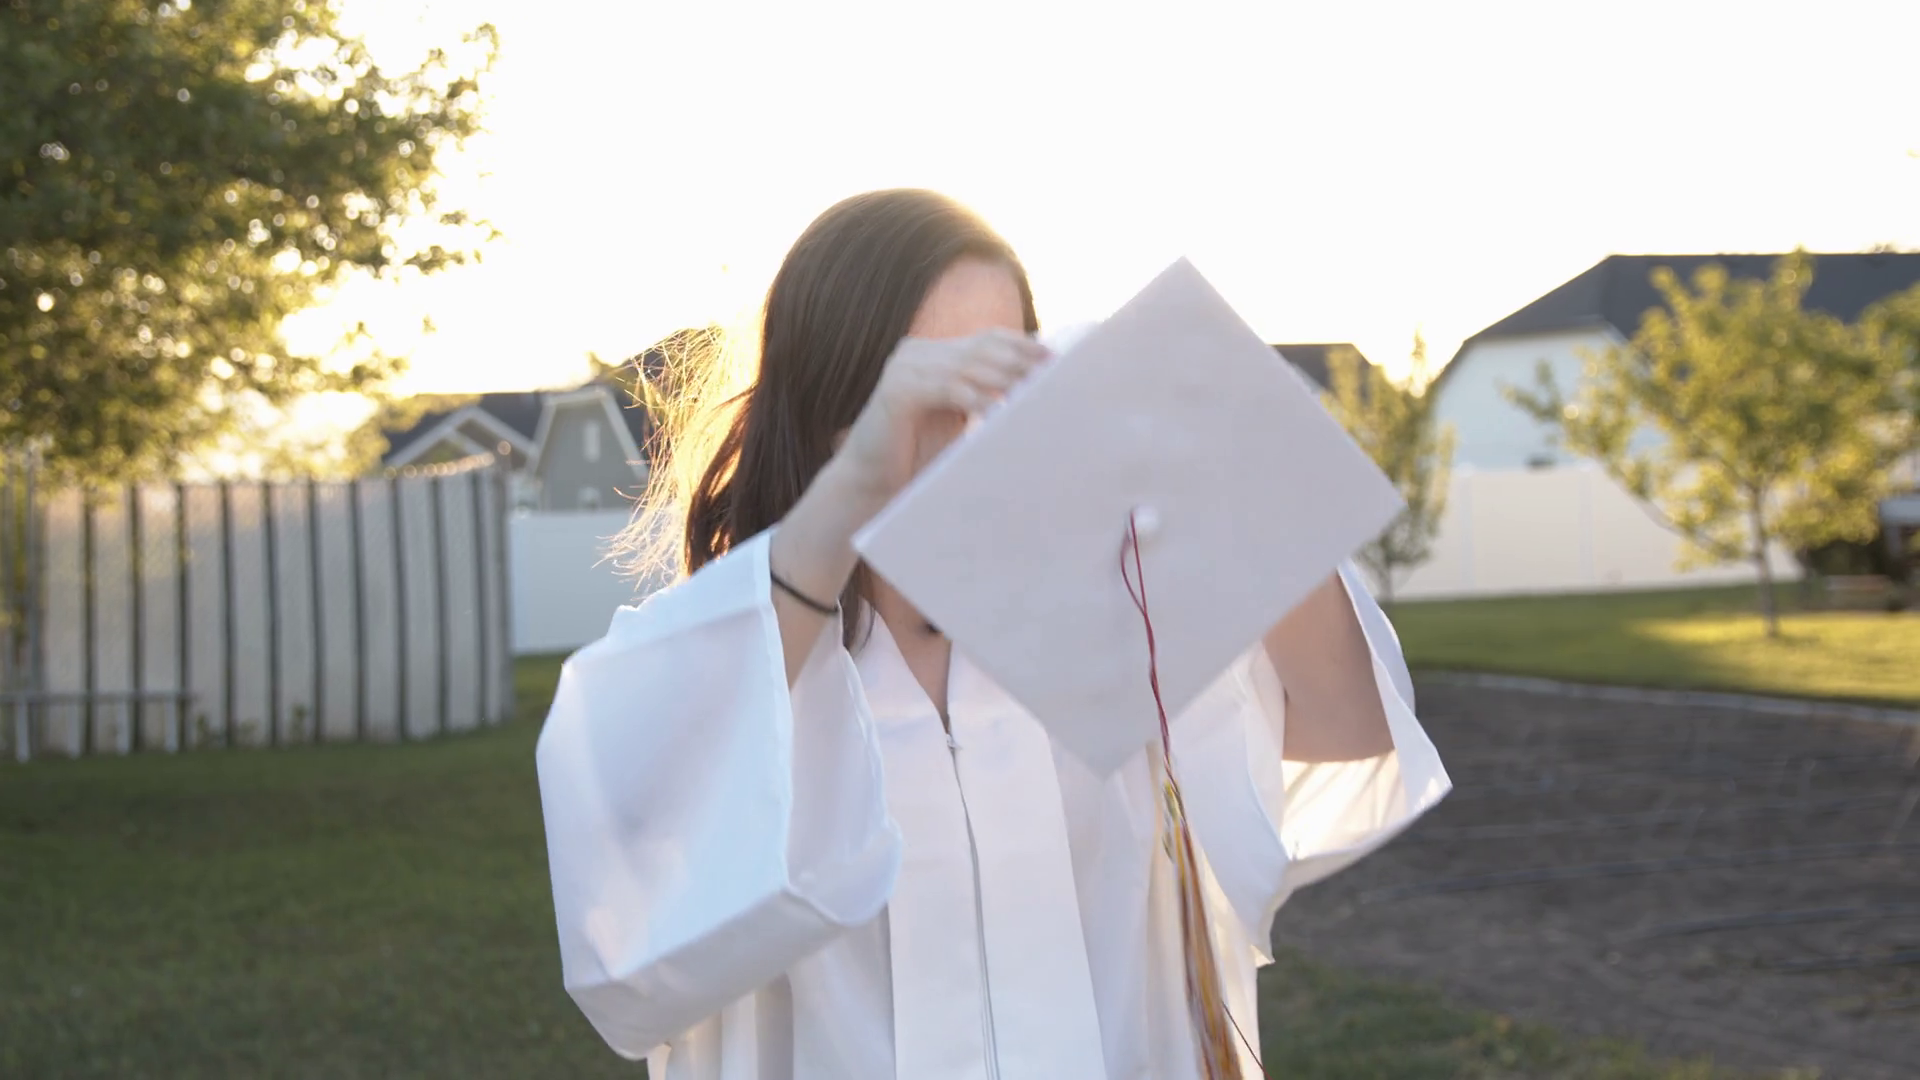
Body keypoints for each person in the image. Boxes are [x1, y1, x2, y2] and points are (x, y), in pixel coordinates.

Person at [535, 189, 1452, 1080]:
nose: (968, 419)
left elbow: (1348, 732)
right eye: (928, 378)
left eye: (999, 369)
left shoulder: (1105, 620)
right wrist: (853, 491)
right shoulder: (724, 649)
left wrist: (1227, 466)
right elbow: (628, 913)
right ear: (829, 400)